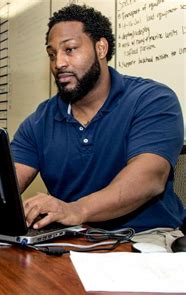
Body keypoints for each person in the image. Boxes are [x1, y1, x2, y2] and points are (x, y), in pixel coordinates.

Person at [11, 5, 184, 239]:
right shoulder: (39, 121)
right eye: (52, 54)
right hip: (70, 237)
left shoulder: (152, 100)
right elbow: (6, 185)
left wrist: (76, 210)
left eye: (70, 49)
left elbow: (149, 179)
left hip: (145, 237)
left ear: (101, 48)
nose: (58, 63)